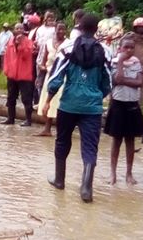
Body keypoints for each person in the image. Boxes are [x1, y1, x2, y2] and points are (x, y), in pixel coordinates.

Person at [45, 13, 111, 202]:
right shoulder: (105, 51)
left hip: (69, 104)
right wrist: (97, 95)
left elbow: (56, 77)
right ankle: (86, 189)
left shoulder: (67, 49)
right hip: (92, 107)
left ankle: (59, 180)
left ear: (79, 27)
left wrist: (49, 98)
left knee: (62, 141)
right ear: (96, 29)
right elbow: (108, 81)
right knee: (90, 146)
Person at [105, 35, 143, 185]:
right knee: (116, 140)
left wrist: (124, 81)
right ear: (120, 48)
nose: (129, 50)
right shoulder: (114, 63)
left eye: (131, 47)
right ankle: (113, 173)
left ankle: (129, 173)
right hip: (118, 104)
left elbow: (139, 82)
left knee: (130, 140)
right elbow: (116, 79)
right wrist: (121, 61)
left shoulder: (137, 63)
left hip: (132, 104)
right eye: (126, 47)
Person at [35, 22, 67, 137]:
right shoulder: (48, 43)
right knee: (48, 101)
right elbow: (43, 62)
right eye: (59, 29)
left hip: (63, 77)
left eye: (63, 29)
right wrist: (43, 70)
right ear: (55, 30)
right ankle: (47, 129)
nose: (61, 31)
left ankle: (62, 131)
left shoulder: (69, 44)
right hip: (49, 76)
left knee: (60, 102)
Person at [2, 22, 35, 126]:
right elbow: (6, 57)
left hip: (24, 75)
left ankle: (28, 120)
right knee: (11, 97)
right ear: (14, 30)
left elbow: (26, 55)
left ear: (24, 30)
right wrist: (6, 70)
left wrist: (20, 45)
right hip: (12, 74)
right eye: (17, 28)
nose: (19, 30)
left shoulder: (28, 42)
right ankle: (10, 118)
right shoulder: (10, 42)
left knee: (26, 98)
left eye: (21, 28)